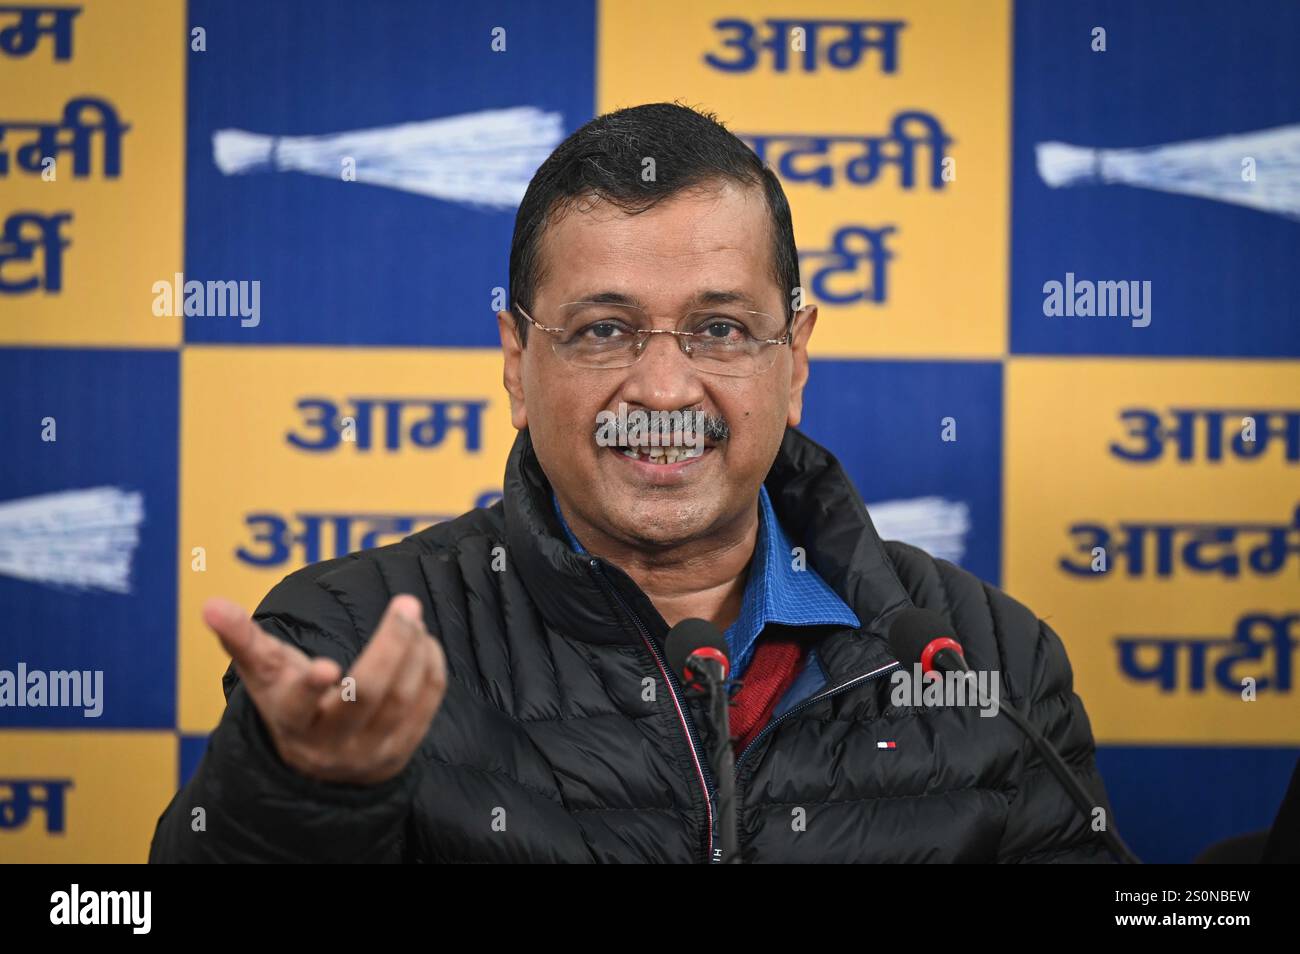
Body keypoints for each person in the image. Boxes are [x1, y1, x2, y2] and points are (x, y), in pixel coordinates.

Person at [149, 102, 1116, 863]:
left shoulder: (993, 661)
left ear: (797, 359)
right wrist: (304, 795)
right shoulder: (348, 646)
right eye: (605, 329)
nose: (661, 386)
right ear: (517, 359)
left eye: (721, 329)